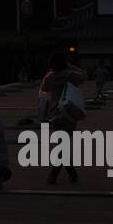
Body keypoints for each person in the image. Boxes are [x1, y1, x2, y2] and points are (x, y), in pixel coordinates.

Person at [40, 51, 86, 184]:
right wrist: (70, 66)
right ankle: (61, 174)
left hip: (55, 115)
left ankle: (64, 174)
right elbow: (83, 76)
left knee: (62, 145)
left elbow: (44, 88)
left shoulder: (49, 77)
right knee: (63, 146)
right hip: (69, 114)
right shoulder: (70, 75)